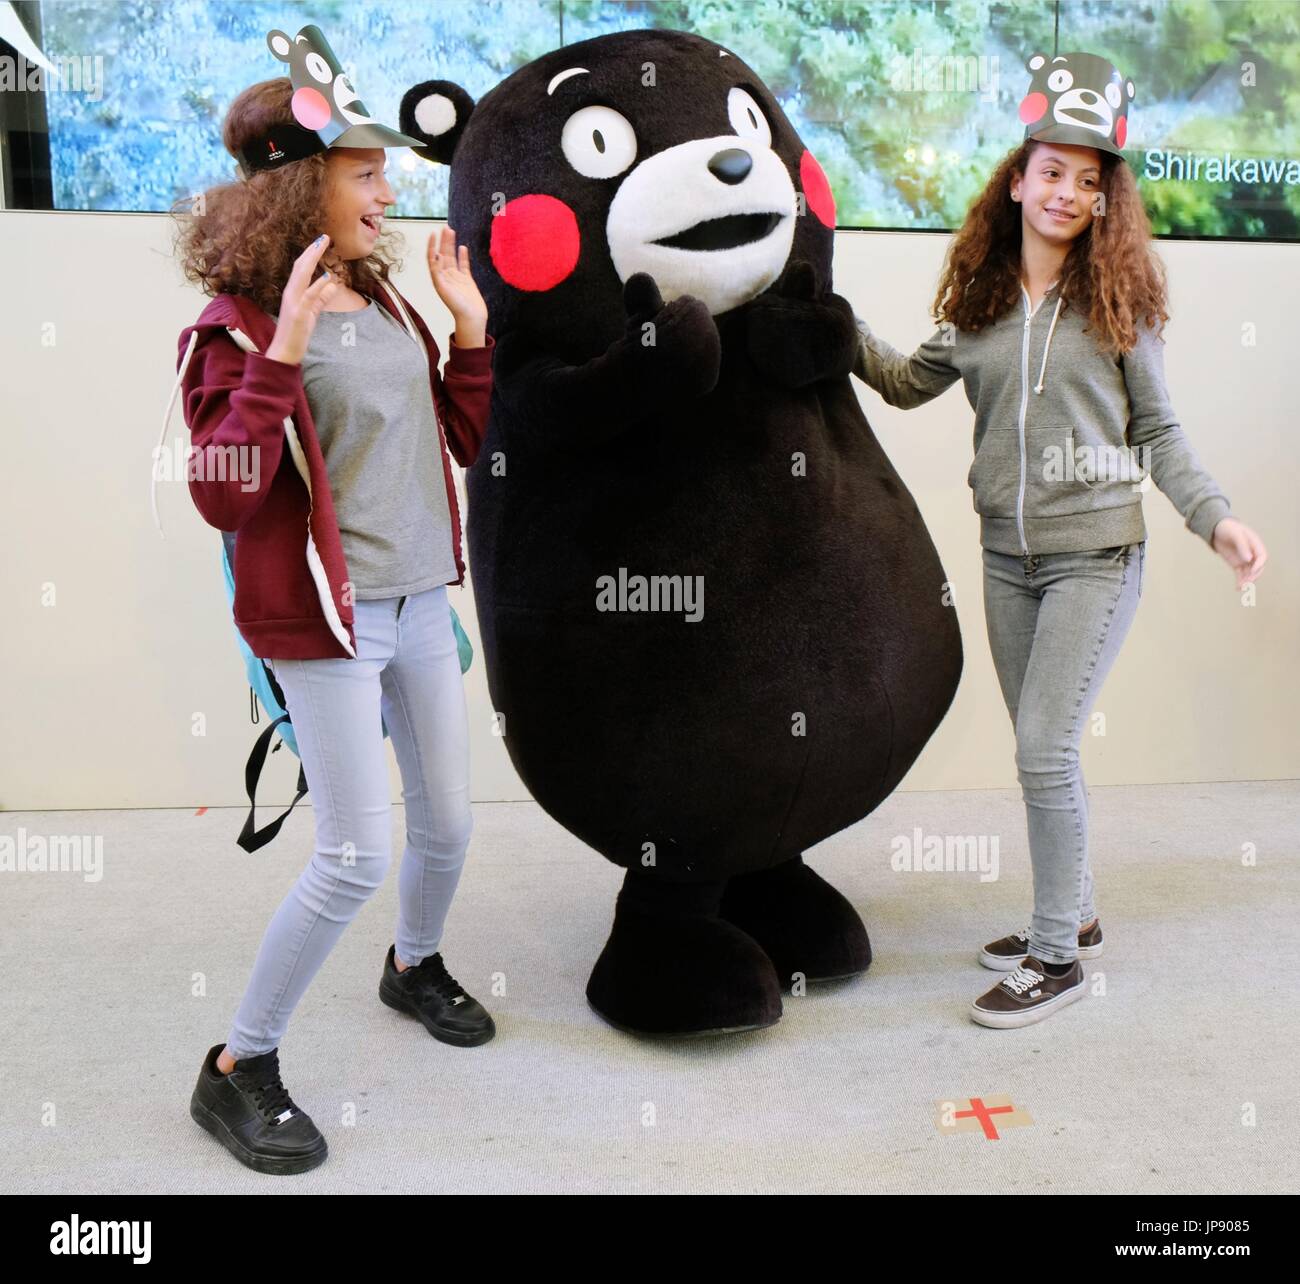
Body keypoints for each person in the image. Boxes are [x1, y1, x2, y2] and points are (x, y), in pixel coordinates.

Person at [852, 52, 1267, 1030]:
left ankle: (1052, 959)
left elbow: (1157, 433)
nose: (1067, 192)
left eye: (1090, 180)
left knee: (1042, 749)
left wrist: (1216, 520)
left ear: (1105, 200)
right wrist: (835, 329)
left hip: (1095, 557)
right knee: (1045, 751)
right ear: (1016, 176)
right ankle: (1070, 913)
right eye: (1052, 170)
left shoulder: (1118, 305)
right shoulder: (980, 306)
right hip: (1007, 559)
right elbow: (908, 381)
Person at [172, 27, 495, 1174]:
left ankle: (411, 966)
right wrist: (282, 353)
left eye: (381, 170)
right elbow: (223, 493)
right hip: (323, 623)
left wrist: (467, 332)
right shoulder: (232, 329)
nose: (386, 187)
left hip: (417, 604)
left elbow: (452, 441)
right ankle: (238, 1067)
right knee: (354, 854)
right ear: (302, 185)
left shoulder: (385, 297)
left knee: (449, 826)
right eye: (364, 171)